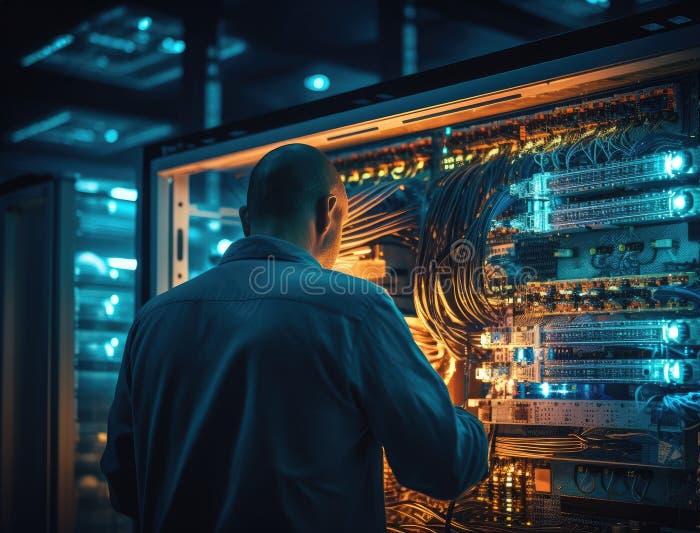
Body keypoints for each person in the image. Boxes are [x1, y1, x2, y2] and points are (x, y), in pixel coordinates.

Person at [101, 143, 489, 532]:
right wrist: (479, 421)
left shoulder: (153, 319)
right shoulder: (357, 309)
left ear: (245, 220)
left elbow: (124, 485)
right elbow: (442, 467)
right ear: (328, 213)